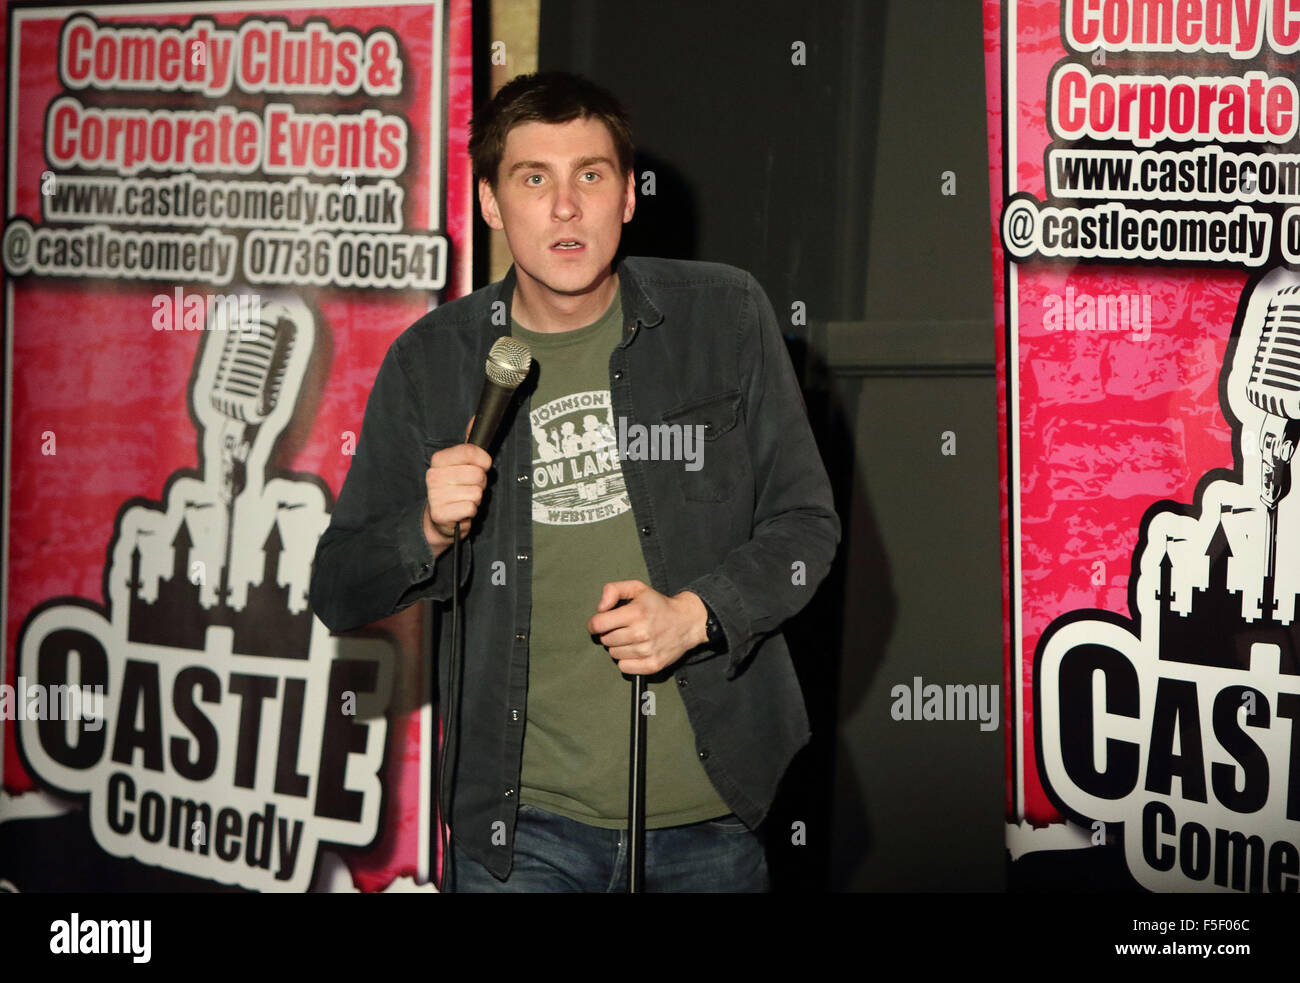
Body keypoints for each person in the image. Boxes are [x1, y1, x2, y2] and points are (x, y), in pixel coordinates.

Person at [309, 71, 840, 892]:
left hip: (711, 816)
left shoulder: (723, 316)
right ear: (490, 203)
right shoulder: (432, 361)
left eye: (590, 175)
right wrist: (422, 528)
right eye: (534, 178)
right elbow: (338, 586)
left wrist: (697, 615)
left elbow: (807, 524)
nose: (565, 207)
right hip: (522, 834)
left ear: (628, 196)